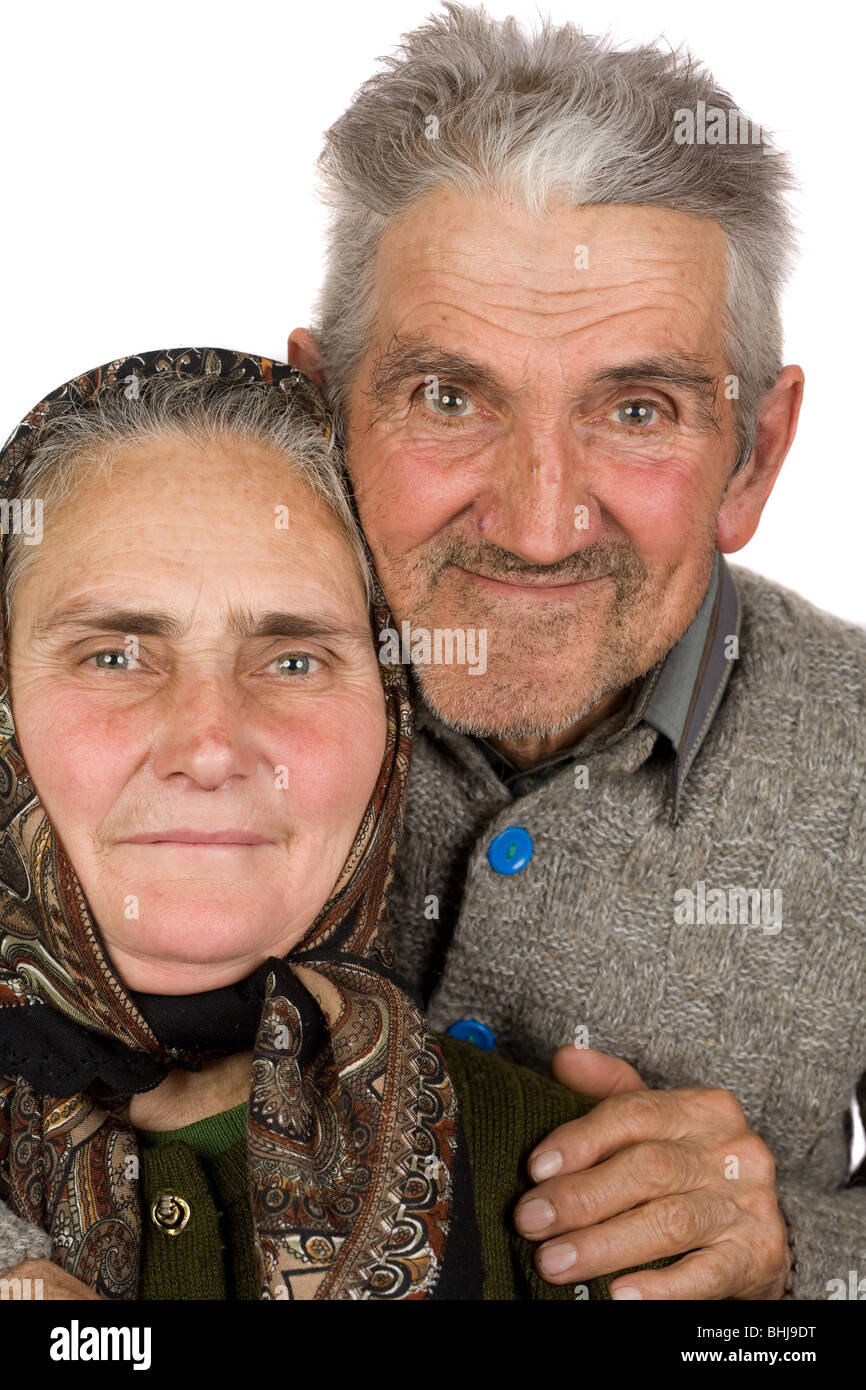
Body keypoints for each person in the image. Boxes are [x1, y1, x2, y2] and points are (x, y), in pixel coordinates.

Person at [287, 4, 866, 1299]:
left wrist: (792, 1263)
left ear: (754, 456)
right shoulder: (130, 701)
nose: (537, 522)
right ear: (317, 411)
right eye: (448, 395)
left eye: (636, 408)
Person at [0, 346, 668, 1300]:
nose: (210, 744)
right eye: (114, 656)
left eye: (294, 661)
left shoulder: (585, 1198)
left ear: (391, 721)